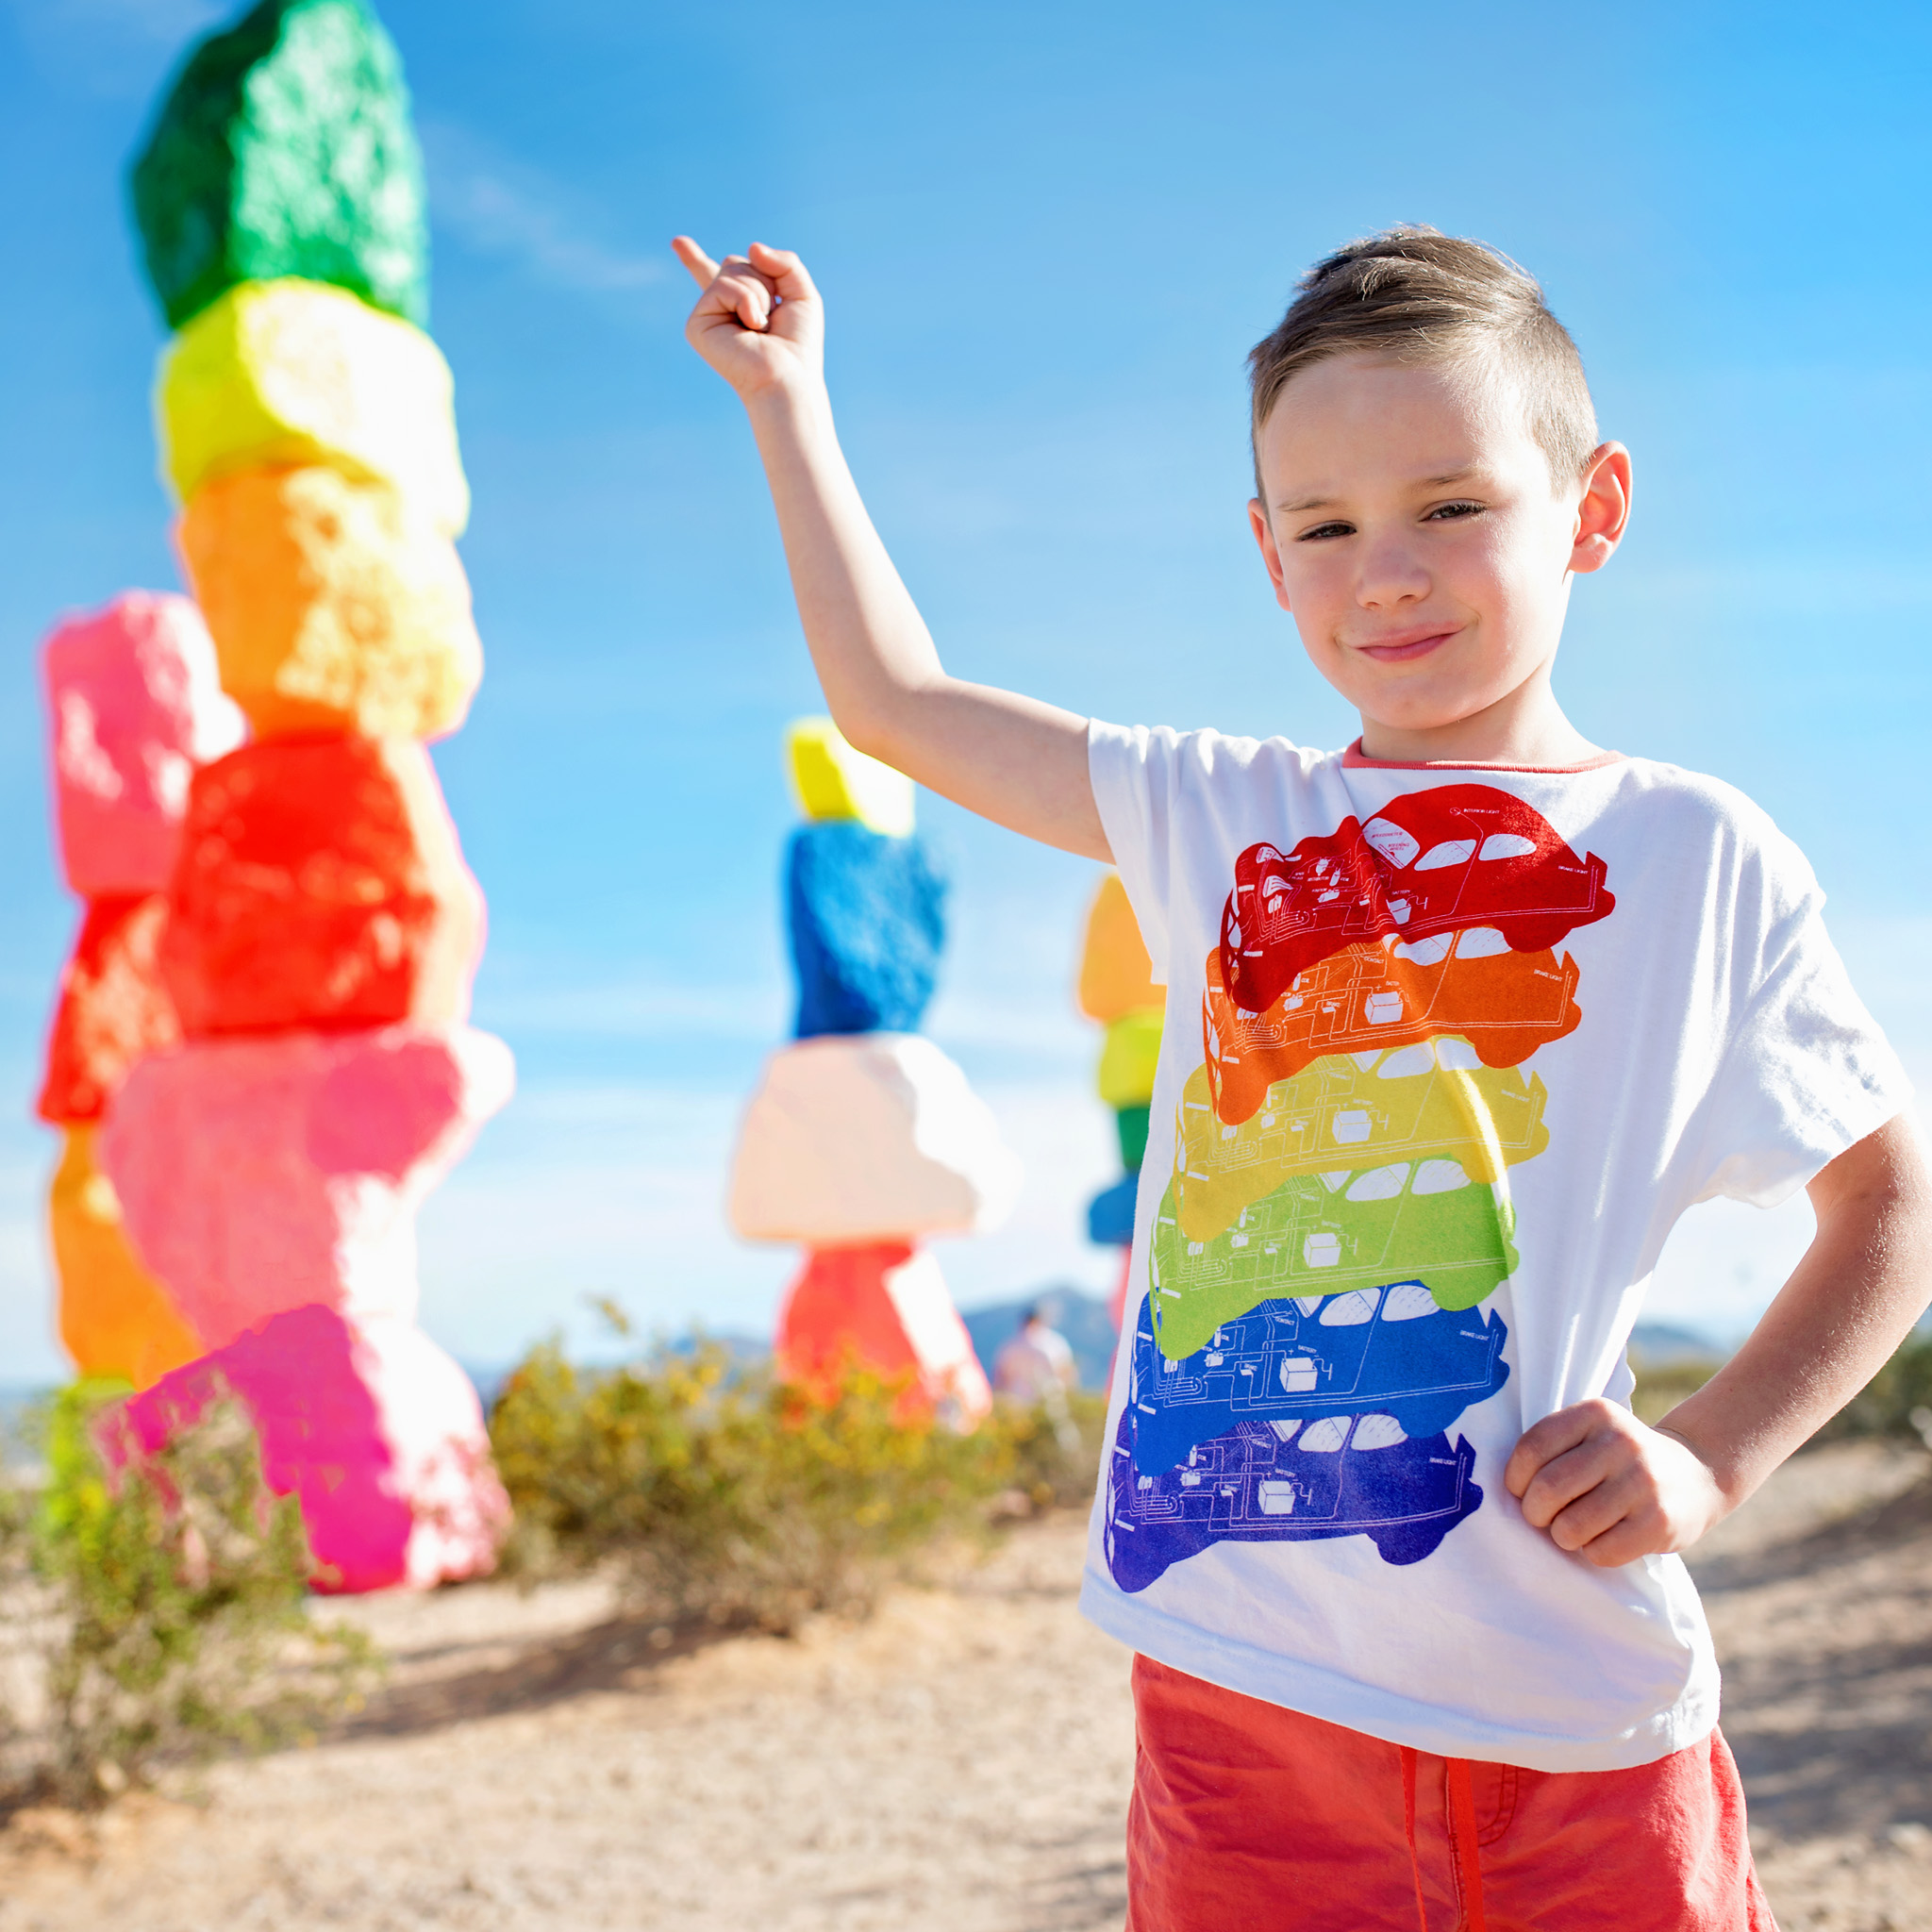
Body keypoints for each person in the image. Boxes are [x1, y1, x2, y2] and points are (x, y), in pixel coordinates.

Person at [670, 225, 1930, 1930]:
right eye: (1324, 527)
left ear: (1594, 505)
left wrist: (1711, 1456)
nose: (1383, 572)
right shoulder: (1215, 814)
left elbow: (1884, 1200)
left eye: (1450, 505)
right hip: (1234, 1710)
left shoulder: (1693, 855)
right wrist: (786, 403)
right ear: (1266, 558)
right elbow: (894, 703)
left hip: (1573, 1710)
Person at [992, 1303, 1078, 1403]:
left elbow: (1000, 1378)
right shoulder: (1056, 1343)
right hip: (1051, 1398)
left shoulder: (1010, 1346)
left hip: (1018, 1400)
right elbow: (1067, 1373)